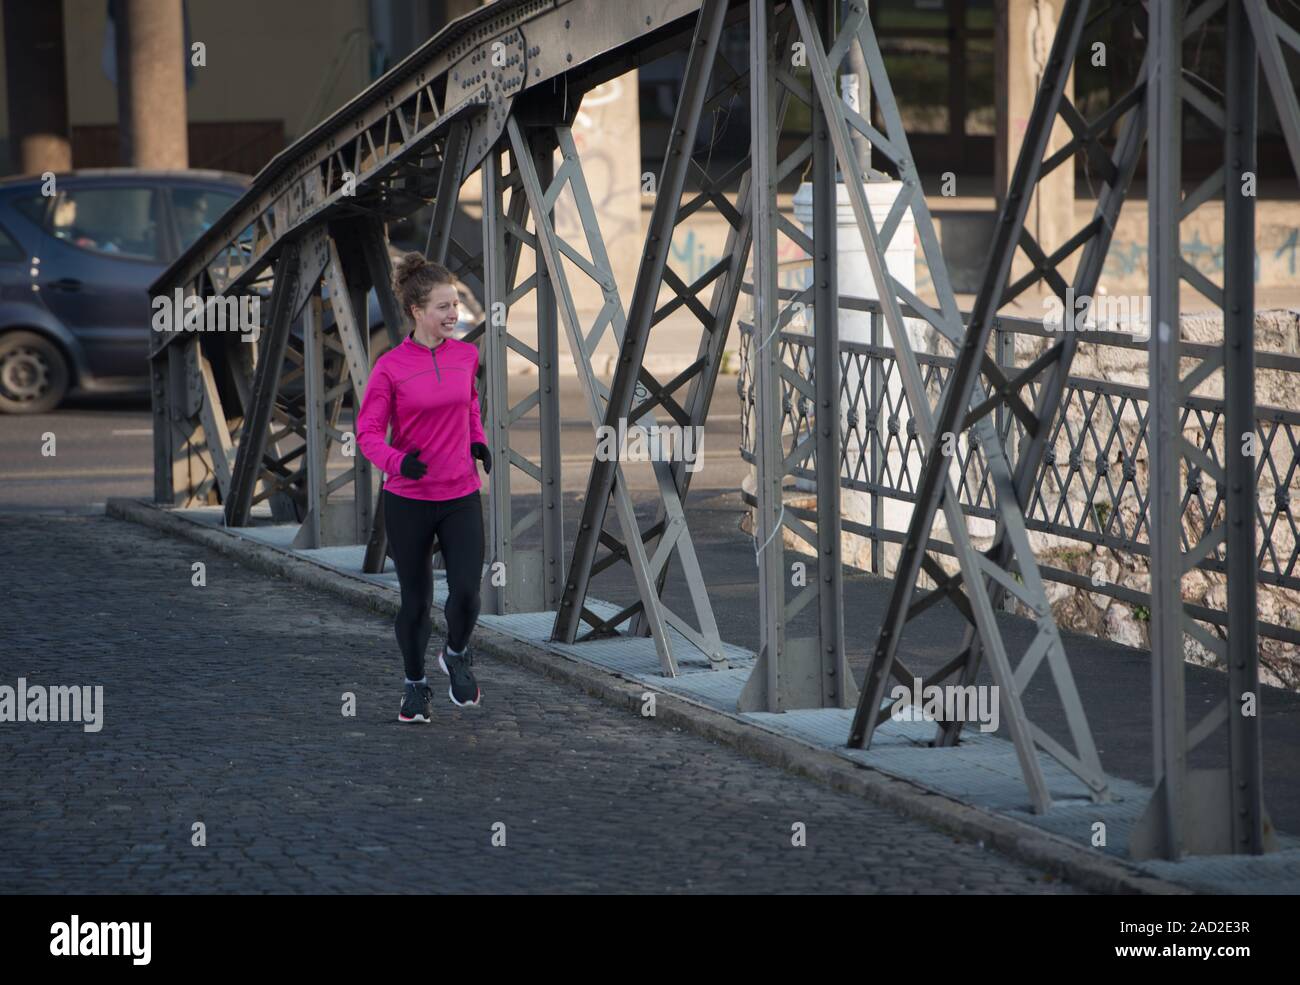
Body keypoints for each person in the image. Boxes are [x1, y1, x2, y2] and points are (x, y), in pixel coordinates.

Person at [356, 252, 492, 721]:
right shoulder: (390, 367)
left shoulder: (466, 356)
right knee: (416, 603)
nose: (454, 314)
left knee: (467, 593)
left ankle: (455, 653)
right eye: (443, 307)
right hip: (408, 500)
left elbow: (469, 405)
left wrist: (477, 440)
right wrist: (398, 463)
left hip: (460, 494)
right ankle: (415, 687)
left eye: (456, 304)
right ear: (417, 311)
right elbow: (367, 434)